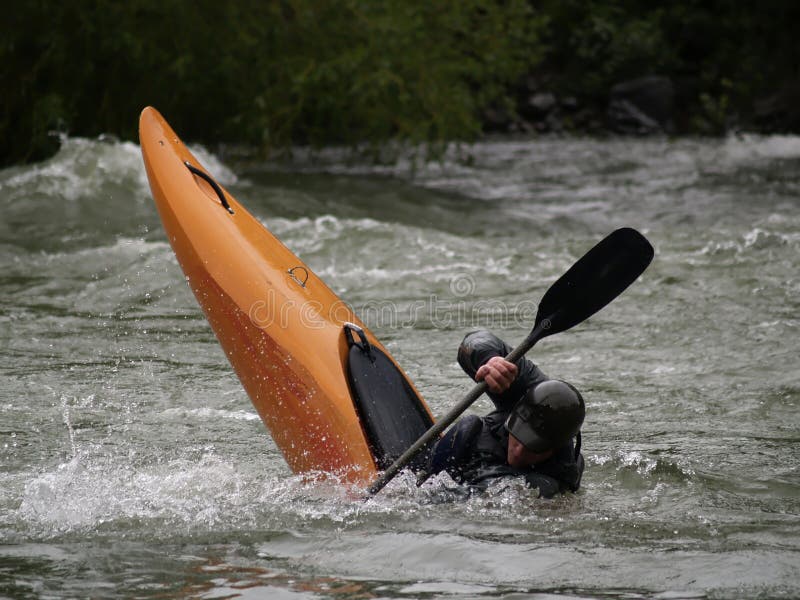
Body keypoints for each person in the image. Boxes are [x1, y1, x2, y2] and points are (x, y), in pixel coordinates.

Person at [426, 330, 585, 498]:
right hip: (476, 451)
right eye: (519, 434)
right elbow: (473, 341)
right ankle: (427, 475)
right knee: (468, 426)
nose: (518, 452)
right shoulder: (525, 384)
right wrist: (490, 360)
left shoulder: (552, 480)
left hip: (493, 483)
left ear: (553, 450)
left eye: (533, 447)